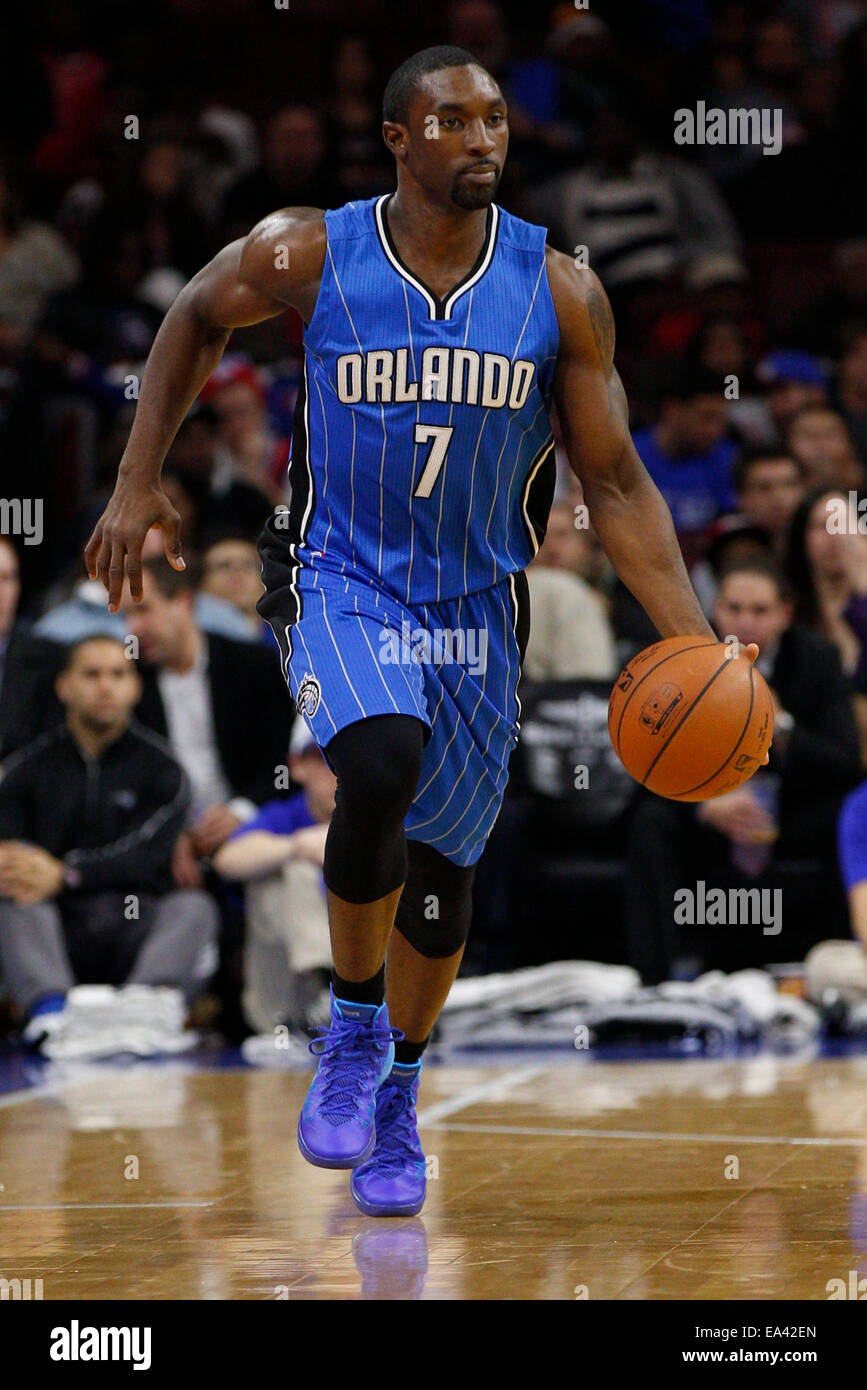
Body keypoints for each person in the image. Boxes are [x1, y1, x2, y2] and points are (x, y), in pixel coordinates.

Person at [85, 47, 748, 1219]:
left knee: (441, 881)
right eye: (453, 119)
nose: (483, 136)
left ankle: (397, 1089)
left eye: (496, 118)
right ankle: (348, 1026)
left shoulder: (557, 289)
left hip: (478, 601)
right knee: (378, 758)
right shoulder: (312, 248)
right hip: (337, 574)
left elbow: (621, 480)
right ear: (399, 138)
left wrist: (693, 642)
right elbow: (194, 313)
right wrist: (139, 479)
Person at [625, 555, 859, 983]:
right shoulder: (680, 663)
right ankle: (652, 984)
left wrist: (779, 724)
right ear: (715, 609)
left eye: (759, 610)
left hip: (788, 818)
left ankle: (844, 973)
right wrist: (704, 806)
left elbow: (845, 765)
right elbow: (642, 769)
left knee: (852, 814)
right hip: (711, 819)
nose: (745, 621)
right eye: (734, 608)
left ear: (784, 614)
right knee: (650, 822)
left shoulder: (816, 659)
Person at [0, 635, 218, 1047]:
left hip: (135, 925)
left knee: (195, 907)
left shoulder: (164, 769)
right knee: (13, 898)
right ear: (64, 686)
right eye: (92, 674)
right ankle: (52, 1016)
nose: (105, 686)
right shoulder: (26, 769)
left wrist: (66, 873)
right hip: (56, 931)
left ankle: (146, 1011)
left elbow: (148, 856)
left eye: (118, 674)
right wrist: (25, 868)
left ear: (135, 687)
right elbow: (9, 846)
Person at [213, 717, 334, 1039]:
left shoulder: (393, 816)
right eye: (325, 759)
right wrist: (300, 844)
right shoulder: (284, 816)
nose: (339, 772)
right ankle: (316, 991)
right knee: (285, 873)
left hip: (374, 993)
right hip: (282, 1008)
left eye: (348, 757)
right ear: (297, 766)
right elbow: (227, 859)